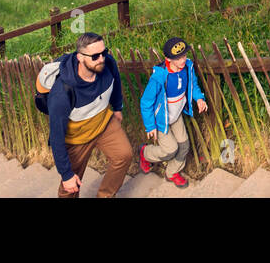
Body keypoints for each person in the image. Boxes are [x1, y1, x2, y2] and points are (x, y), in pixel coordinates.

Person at [42, 32, 130, 198]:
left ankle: (105, 195)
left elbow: (115, 82)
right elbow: (56, 137)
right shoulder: (62, 93)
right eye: (95, 56)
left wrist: (117, 107)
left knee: (124, 155)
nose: (101, 59)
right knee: (70, 187)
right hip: (77, 138)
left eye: (104, 53)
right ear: (80, 57)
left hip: (103, 122)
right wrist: (66, 175)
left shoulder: (108, 64)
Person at [138, 36, 207, 187]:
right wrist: (150, 126)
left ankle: (172, 172)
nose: (183, 60)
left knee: (184, 145)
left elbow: (193, 84)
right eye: (178, 58)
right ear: (168, 59)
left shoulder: (187, 67)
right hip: (161, 119)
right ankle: (145, 153)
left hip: (176, 116)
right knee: (170, 150)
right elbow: (146, 102)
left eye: (184, 55)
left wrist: (199, 98)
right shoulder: (160, 76)